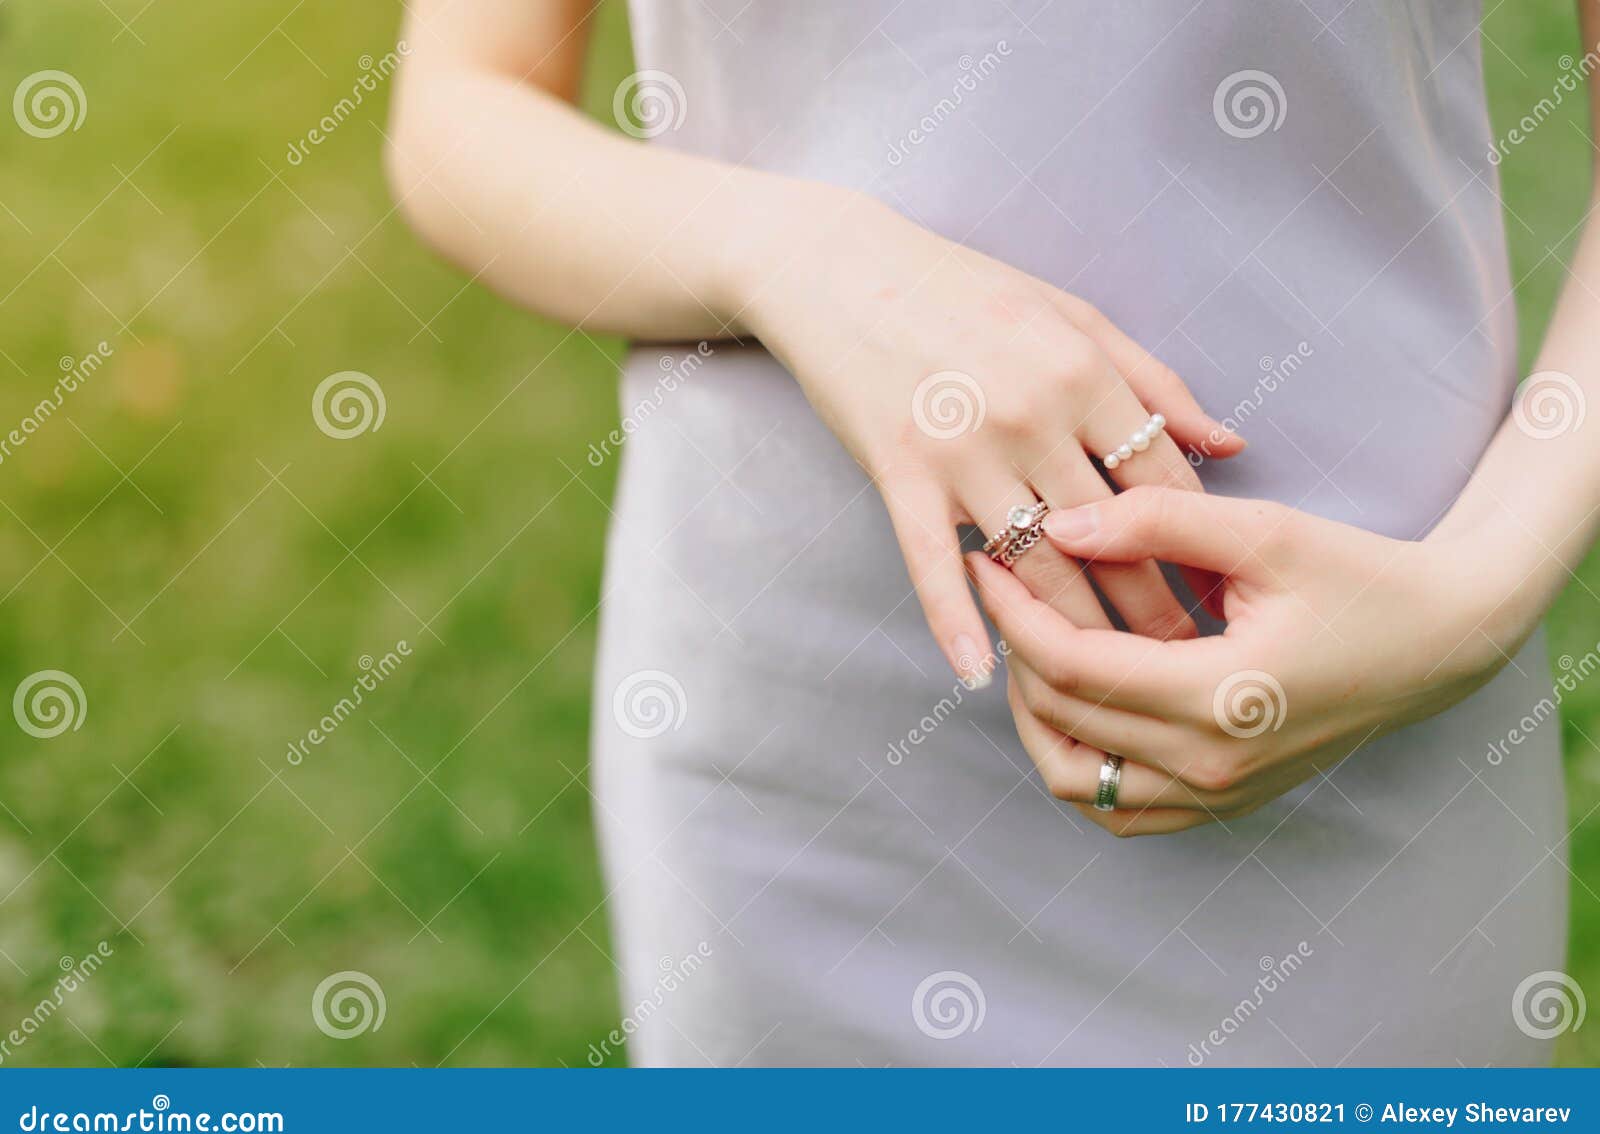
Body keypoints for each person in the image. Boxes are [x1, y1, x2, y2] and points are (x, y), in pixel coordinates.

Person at [389, 1, 1592, 1064]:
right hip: (801, 776)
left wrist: (1472, 598)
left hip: (1359, 714)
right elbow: (462, 110)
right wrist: (803, 258)